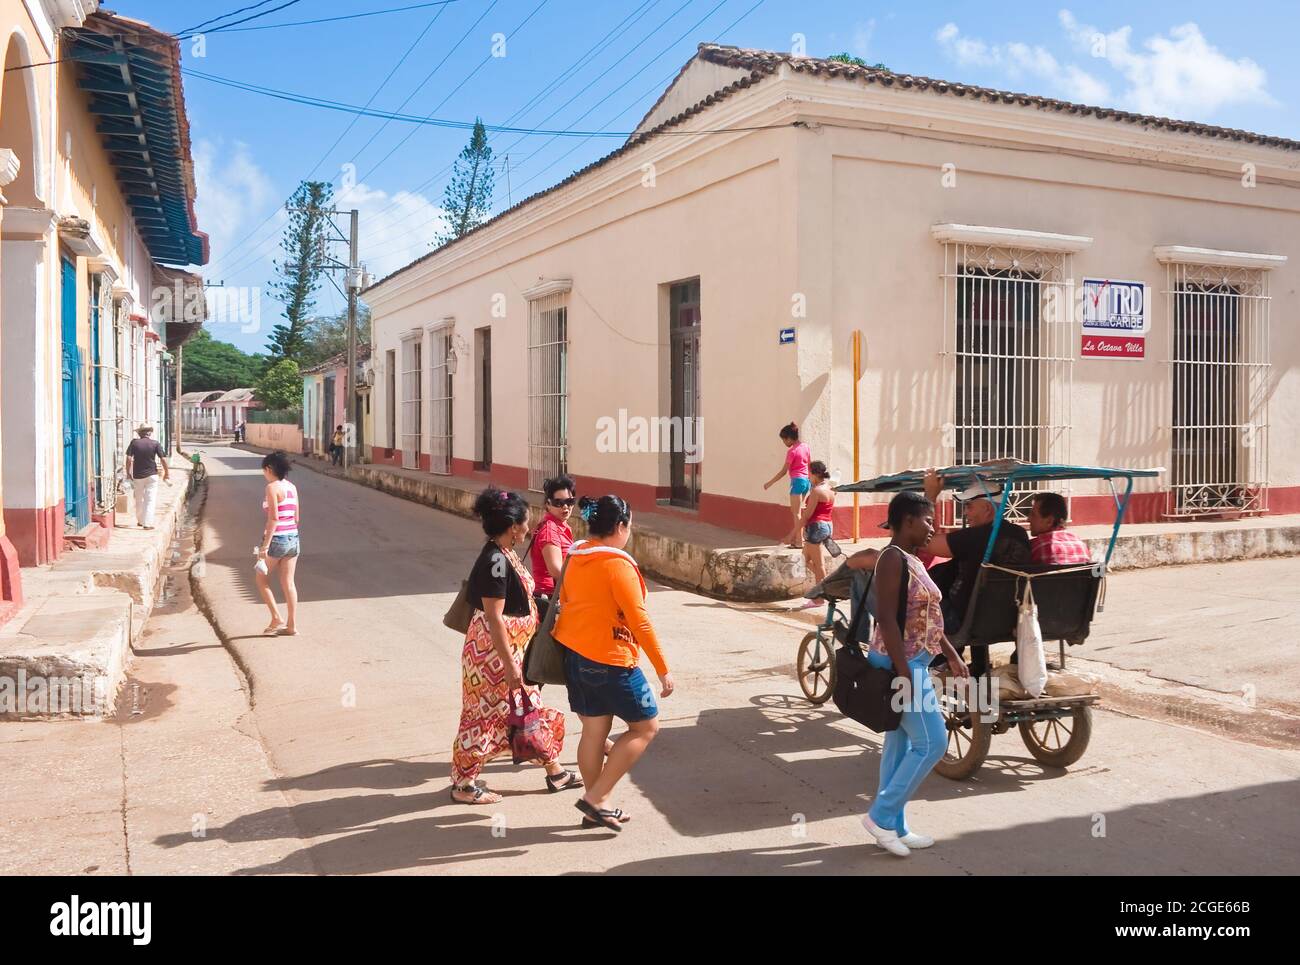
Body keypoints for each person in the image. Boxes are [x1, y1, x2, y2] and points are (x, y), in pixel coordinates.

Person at [451, 486, 579, 805]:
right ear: (512, 527)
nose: (528, 528)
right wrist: (509, 666)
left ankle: (555, 771)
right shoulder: (496, 560)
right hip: (493, 658)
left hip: (507, 653)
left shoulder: (503, 553)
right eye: (525, 523)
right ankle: (464, 785)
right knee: (485, 717)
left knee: (524, 712)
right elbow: (494, 618)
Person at [554, 495, 674, 832]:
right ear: (620, 526)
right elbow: (640, 622)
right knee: (646, 727)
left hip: (575, 657)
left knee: (593, 731)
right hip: (612, 661)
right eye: (629, 525)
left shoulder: (576, 557)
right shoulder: (617, 565)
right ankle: (597, 798)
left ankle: (598, 806)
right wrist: (663, 669)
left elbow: (565, 602)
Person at [861, 491, 970, 858]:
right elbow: (888, 620)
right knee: (933, 743)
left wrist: (951, 655)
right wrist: (904, 673)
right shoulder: (891, 559)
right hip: (901, 664)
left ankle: (896, 826)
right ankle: (880, 816)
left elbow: (927, 619)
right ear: (907, 520)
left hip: (914, 661)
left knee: (901, 744)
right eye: (928, 521)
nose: (933, 529)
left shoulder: (911, 559)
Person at [921, 471, 1031, 645]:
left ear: (987, 509)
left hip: (965, 621)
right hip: (1006, 619)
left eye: (969, 506)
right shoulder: (1019, 534)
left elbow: (923, 541)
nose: (965, 512)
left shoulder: (977, 537)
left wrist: (930, 496)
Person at [255, 451, 301, 636]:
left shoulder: (272, 488)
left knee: (260, 577)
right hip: (293, 538)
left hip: (277, 539)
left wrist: (264, 547)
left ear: (269, 469)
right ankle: (291, 626)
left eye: (264, 471)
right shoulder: (292, 487)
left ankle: (276, 617)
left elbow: (273, 519)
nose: (264, 474)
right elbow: (296, 517)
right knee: (288, 582)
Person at [530, 474, 576, 621]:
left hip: (555, 598)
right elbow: (556, 570)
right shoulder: (550, 531)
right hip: (548, 601)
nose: (565, 507)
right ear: (547, 504)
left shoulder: (560, 526)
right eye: (559, 503)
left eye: (569, 502)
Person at [762, 422, 811, 549]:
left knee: (796, 513)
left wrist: (770, 482)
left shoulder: (792, 451)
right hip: (806, 482)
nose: (784, 443)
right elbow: (809, 464)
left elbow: (784, 471)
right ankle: (802, 538)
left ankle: (799, 541)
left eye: (784, 440)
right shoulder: (805, 446)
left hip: (797, 482)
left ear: (789, 438)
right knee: (800, 511)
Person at [797, 461, 839, 600]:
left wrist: (793, 532)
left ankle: (819, 598)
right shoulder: (831, 489)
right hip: (826, 526)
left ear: (815, 474)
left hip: (816, 527)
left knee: (818, 564)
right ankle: (825, 583)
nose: (808, 476)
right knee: (804, 560)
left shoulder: (816, 491)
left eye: (809, 473)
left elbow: (807, 514)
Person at [125, 425, 170, 529]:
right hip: (152, 476)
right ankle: (148, 523)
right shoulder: (155, 444)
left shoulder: (134, 443)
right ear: (149, 433)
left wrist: (128, 473)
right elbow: (163, 459)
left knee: (138, 499)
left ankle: (140, 521)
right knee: (150, 500)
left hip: (138, 476)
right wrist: (167, 473)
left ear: (140, 433)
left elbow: (128, 458)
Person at [1028, 492, 1091, 564]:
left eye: (1033, 515)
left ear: (1049, 521)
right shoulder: (1082, 546)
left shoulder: (1034, 547)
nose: (1028, 519)